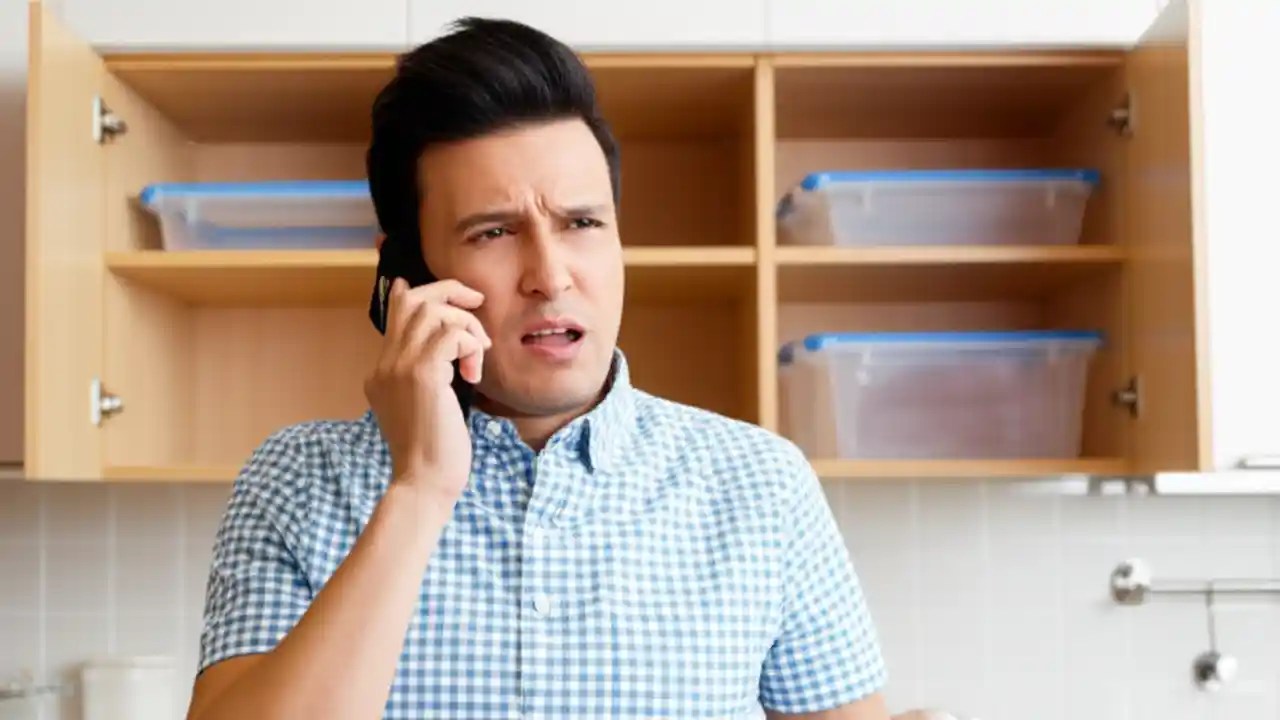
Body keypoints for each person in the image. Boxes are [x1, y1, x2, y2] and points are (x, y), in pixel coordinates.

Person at [185, 16, 889, 720]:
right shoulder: (297, 480)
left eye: (582, 224)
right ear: (403, 271)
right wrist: (420, 488)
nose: (550, 277)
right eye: (493, 231)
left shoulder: (761, 484)